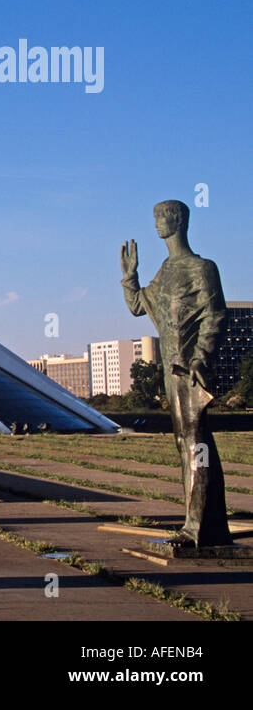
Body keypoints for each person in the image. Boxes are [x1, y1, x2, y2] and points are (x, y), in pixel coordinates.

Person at [121, 199, 232, 546]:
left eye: (162, 217)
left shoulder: (202, 268)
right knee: (187, 444)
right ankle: (208, 526)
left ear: (179, 220)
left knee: (196, 444)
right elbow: (139, 306)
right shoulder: (165, 271)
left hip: (190, 370)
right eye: (154, 216)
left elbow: (215, 315)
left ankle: (196, 528)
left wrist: (201, 358)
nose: (156, 223)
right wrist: (129, 276)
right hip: (171, 373)